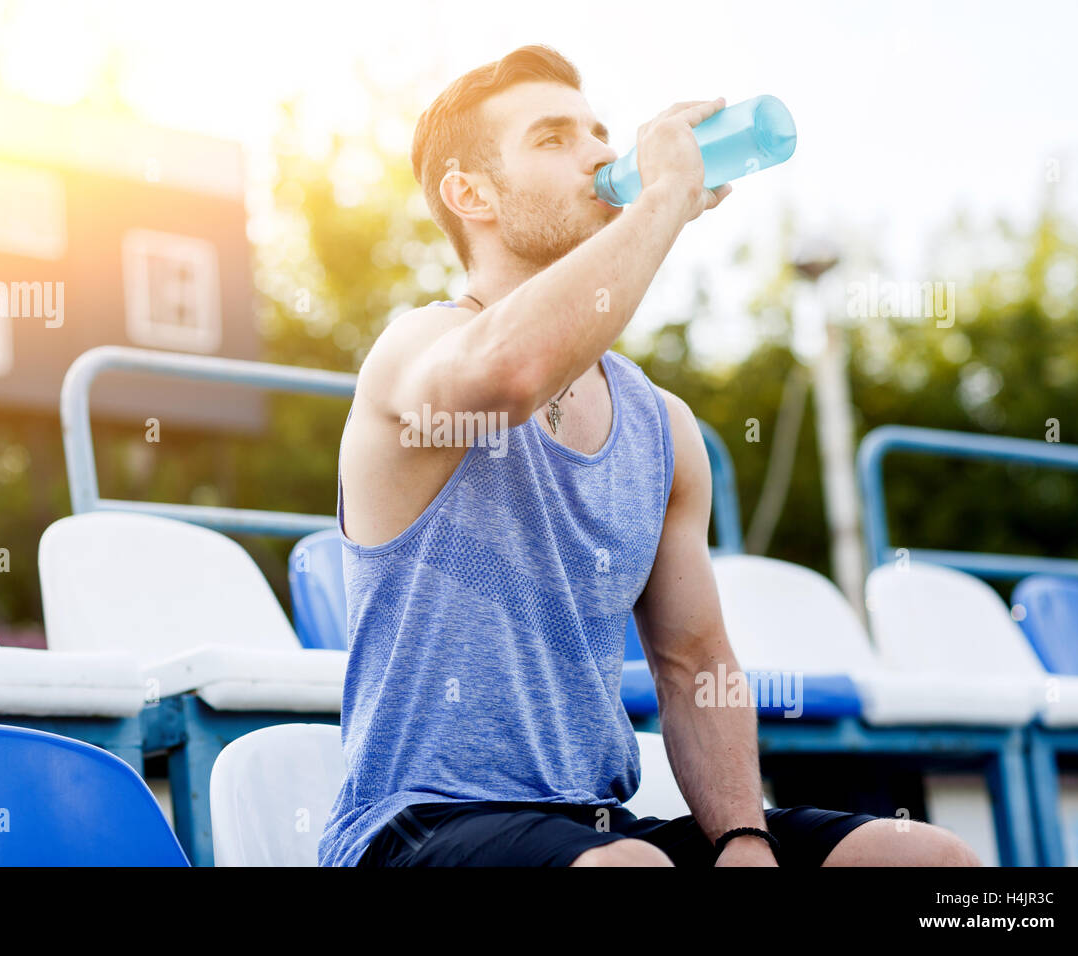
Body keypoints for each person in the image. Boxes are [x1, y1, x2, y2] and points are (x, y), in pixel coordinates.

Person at [317, 44, 982, 867]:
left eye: (598, 132)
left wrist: (744, 837)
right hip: (417, 827)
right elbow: (511, 373)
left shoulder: (661, 427)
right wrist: (664, 196)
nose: (600, 153)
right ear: (470, 194)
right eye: (554, 139)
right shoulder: (416, 347)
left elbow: (696, 659)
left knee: (927, 861)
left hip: (597, 826)